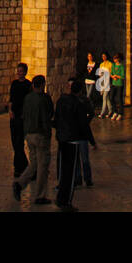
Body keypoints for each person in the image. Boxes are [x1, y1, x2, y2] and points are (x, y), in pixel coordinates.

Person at [54, 77, 94, 212]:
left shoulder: (60, 101)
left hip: (62, 138)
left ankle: (60, 197)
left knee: (63, 169)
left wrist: (59, 131)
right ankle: (65, 201)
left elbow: (56, 118)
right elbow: (83, 123)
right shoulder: (78, 104)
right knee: (70, 174)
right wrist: (91, 139)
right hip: (73, 139)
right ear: (80, 91)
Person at [13, 73, 53, 205]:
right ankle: (40, 195)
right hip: (40, 135)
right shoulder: (43, 99)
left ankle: (19, 184)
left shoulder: (28, 98)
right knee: (42, 166)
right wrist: (48, 134)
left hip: (28, 135)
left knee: (34, 163)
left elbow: (23, 114)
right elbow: (46, 117)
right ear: (42, 85)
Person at [8, 63, 32, 177]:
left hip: (22, 117)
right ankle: (26, 166)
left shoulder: (28, 85)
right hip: (14, 116)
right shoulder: (14, 84)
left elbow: (29, 101)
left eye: (21, 71)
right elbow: (11, 99)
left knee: (19, 142)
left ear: (25, 72)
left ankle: (18, 168)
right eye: (18, 71)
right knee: (15, 142)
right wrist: (10, 110)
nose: (19, 73)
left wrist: (25, 114)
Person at [95, 54, 112, 119]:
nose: (103, 57)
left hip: (107, 82)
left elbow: (110, 73)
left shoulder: (110, 64)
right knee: (106, 98)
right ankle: (110, 111)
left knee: (104, 98)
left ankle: (102, 113)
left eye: (104, 56)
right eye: (102, 56)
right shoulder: (101, 64)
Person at [110, 53, 125, 121]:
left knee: (119, 99)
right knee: (111, 98)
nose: (114, 60)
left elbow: (123, 76)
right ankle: (115, 111)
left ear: (118, 59)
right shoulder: (113, 65)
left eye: (115, 58)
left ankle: (120, 113)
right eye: (114, 58)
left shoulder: (121, 66)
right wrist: (113, 76)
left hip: (119, 84)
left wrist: (117, 76)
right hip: (114, 83)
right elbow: (111, 73)